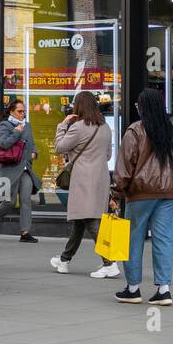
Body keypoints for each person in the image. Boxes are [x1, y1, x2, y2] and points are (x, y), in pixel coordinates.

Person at [112, 88, 173, 305]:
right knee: (164, 239)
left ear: (142, 107)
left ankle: (133, 288)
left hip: (140, 193)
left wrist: (116, 191)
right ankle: (164, 289)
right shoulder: (171, 130)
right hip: (169, 193)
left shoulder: (136, 130)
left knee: (133, 240)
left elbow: (125, 167)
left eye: (137, 105)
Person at [50, 91, 116, 277]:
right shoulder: (105, 127)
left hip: (83, 179)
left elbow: (59, 147)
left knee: (90, 220)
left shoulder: (77, 127)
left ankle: (109, 262)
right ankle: (64, 260)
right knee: (80, 220)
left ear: (78, 107)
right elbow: (108, 155)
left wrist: (62, 125)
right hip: (101, 177)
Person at [0, 97, 40, 242]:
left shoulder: (27, 126)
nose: (23, 114)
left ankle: (25, 232)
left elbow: (32, 143)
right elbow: (4, 144)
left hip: (25, 169)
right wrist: (16, 132)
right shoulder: (5, 125)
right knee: (7, 201)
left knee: (26, 200)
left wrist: (35, 152)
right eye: (19, 111)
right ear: (12, 111)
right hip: (8, 170)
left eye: (24, 111)